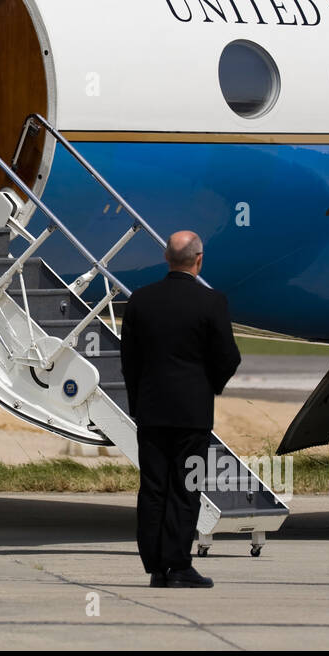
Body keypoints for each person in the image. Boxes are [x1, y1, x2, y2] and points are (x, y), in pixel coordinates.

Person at [120, 230, 241, 589]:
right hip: (191, 414)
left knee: (153, 488)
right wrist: (209, 387)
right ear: (199, 259)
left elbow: (129, 361)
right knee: (186, 488)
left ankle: (156, 567)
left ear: (166, 258)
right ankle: (179, 564)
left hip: (152, 412)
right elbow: (229, 358)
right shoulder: (212, 302)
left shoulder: (140, 301)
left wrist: (138, 402)